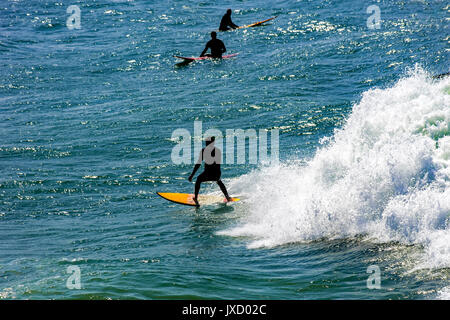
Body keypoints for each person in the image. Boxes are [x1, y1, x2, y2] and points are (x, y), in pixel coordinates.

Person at [188, 136, 231, 207]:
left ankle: (195, 198)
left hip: (209, 173)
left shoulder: (204, 151)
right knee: (219, 181)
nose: (206, 144)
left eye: (207, 142)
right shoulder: (217, 151)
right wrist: (218, 175)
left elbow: (198, 164)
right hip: (217, 173)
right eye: (206, 142)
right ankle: (227, 197)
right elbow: (217, 165)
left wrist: (192, 175)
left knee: (198, 179)